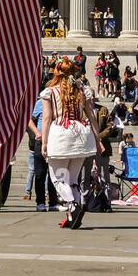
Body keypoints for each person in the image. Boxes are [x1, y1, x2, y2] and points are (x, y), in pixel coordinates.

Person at [39, 57, 103, 229]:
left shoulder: (50, 91)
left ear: (57, 73)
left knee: (59, 179)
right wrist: (98, 140)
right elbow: (91, 116)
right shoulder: (82, 90)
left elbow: (46, 118)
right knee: (72, 179)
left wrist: (44, 143)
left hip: (61, 134)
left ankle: (73, 206)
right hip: (82, 135)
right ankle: (72, 215)